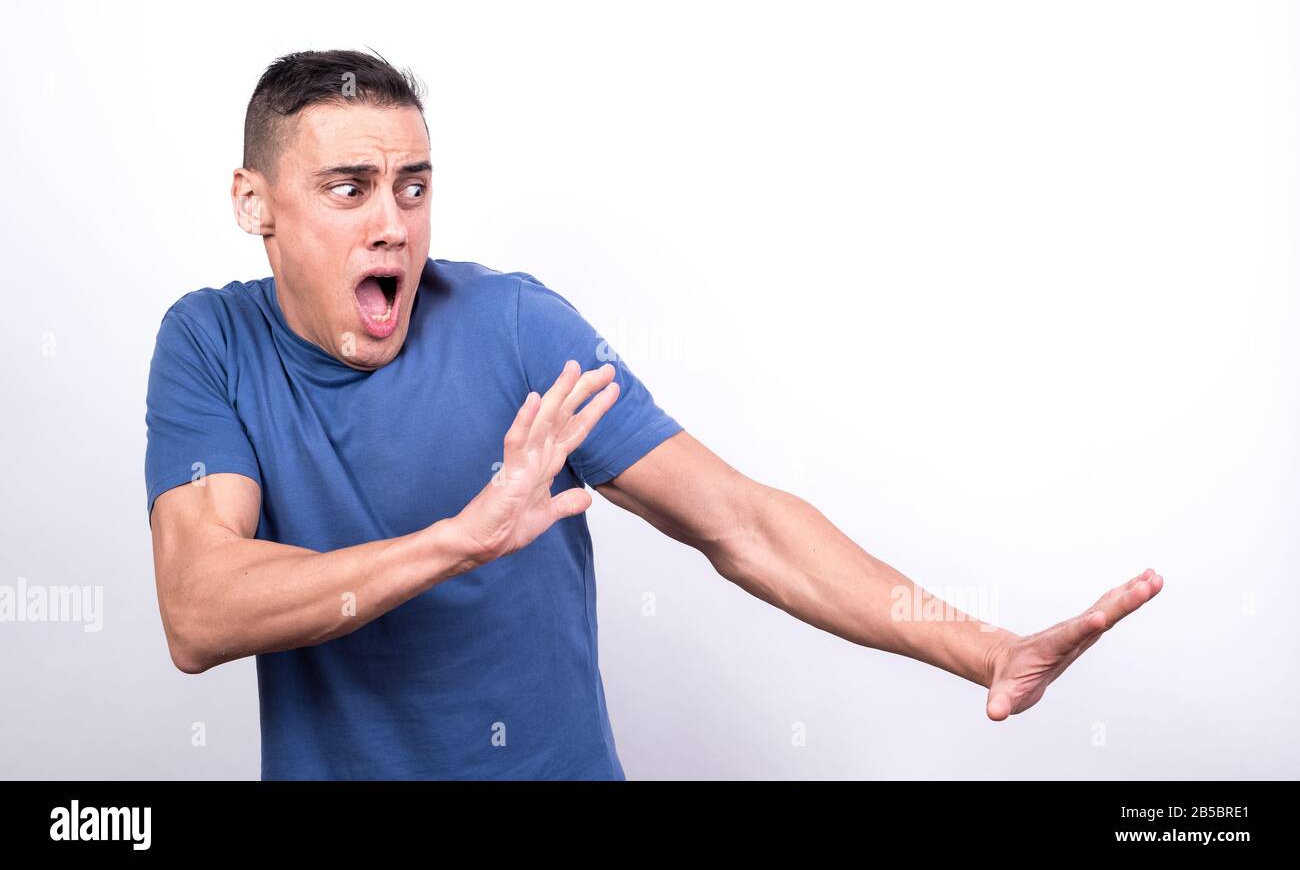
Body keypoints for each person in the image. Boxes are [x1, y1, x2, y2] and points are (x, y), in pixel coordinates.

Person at [145, 49, 1164, 780]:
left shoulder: (512, 325)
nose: (392, 225)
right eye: (349, 189)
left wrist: (982, 648)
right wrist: (460, 541)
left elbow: (742, 521)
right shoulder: (209, 345)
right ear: (255, 203)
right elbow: (200, 608)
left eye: (413, 188)